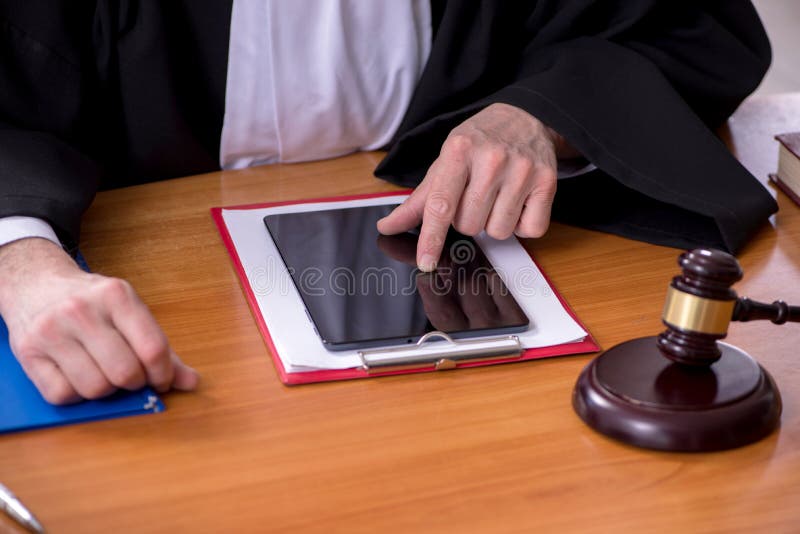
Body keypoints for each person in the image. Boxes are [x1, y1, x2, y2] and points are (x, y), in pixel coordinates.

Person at [0, 1, 777, 404]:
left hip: (479, 375)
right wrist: (21, 257)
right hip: (169, 309)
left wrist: (543, 117)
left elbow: (685, 26)